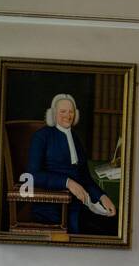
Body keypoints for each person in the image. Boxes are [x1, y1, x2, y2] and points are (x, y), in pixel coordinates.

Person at [25, 93, 116, 233]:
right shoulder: (41, 136)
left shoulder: (76, 139)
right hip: (52, 206)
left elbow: (85, 178)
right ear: (54, 113)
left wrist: (102, 197)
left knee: (114, 223)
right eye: (63, 111)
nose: (68, 115)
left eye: (71, 111)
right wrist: (67, 182)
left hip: (78, 205)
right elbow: (32, 175)